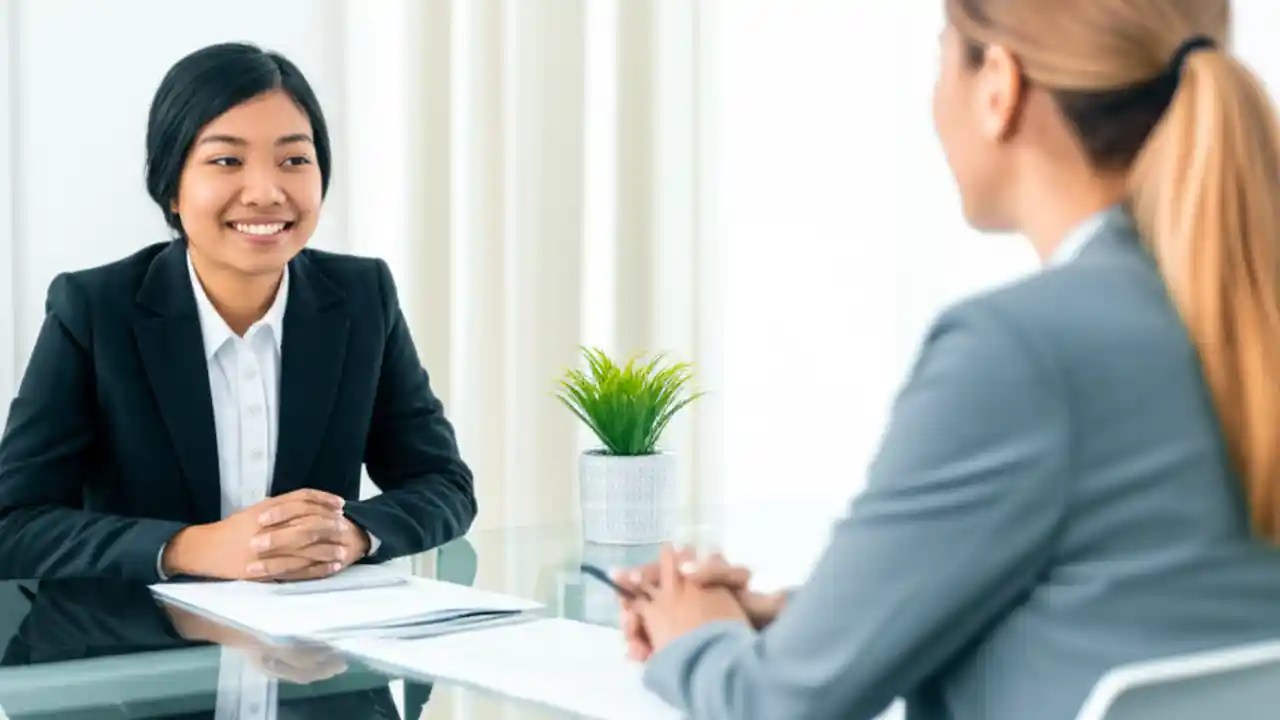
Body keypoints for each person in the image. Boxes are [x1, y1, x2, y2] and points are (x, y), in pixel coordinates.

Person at [616, 1, 1280, 718]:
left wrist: (692, 635)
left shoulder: (1021, 353)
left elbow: (776, 705)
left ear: (999, 83)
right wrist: (804, 620)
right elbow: (1125, 601)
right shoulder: (1239, 316)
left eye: (942, 55)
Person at [0, 42, 476, 583]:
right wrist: (189, 548)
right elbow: (14, 524)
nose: (266, 192)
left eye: (294, 160)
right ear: (171, 186)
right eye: (227, 160)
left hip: (315, 651)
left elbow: (443, 483)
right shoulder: (93, 311)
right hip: (140, 648)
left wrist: (352, 535)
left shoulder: (362, 297)